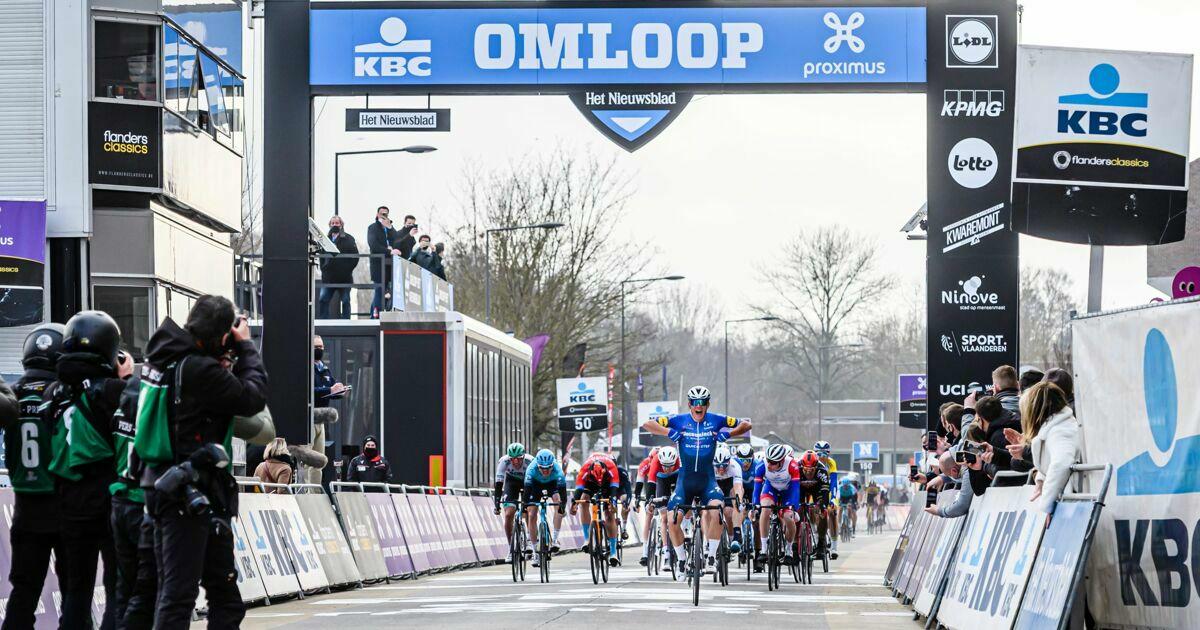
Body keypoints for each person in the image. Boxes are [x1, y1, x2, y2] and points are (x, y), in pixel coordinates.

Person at [137, 295, 268, 628]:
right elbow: (252, 398)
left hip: (166, 485)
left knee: (186, 593)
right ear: (222, 335)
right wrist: (247, 348)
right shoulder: (199, 369)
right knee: (189, 596)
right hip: (193, 493)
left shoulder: (164, 358)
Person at [45, 311, 131, 629]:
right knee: (117, 588)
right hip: (108, 496)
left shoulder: (54, 394)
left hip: (67, 500)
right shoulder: (112, 391)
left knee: (76, 590)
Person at [641, 385, 752, 574]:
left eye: (702, 402)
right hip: (685, 483)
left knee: (717, 510)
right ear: (689, 404)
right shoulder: (678, 420)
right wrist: (668, 432)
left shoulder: (717, 420)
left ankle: (711, 556)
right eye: (694, 402)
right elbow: (647, 424)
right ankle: (682, 560)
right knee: (671, 519)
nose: (698, 406)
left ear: (707, 404)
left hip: (708, 481)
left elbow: (746, 425)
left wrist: (728, 433)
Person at [1, 325, 66, 629]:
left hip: (25, 506)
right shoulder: (66, 393)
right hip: (64, 503)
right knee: (74, 593)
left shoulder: (11, 396)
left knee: (24, 592)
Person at [110, 360, 156, 630]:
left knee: (123, 586)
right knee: (148, 584)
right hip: (142, 502)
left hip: (119, 499)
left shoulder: (116, 415)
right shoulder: (152, 419)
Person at [1018, 382, 1082, 520]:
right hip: (1069, 502)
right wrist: (1041, 480)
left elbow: (1061, 463)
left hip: (1071, 505)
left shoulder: (1058, 430)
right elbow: (1052, 460)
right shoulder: (1057, 426)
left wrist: (1047, 505)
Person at [753, 444, 800, 569]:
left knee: (788, 517)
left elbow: (796, 489)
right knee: (765, 509)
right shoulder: (761, 465)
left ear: (781, 461)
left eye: (773, 463)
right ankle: (764, 549)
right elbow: (757, 489)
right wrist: (755, 506)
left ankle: (789, 549)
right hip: (771, 489)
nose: (769, 465)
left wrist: (793, 508)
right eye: (768, 460)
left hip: (788, 492)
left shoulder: (792, 465)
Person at [570, 452, 621, 566]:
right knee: (583, 500)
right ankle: (587, 539)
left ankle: (613, 552)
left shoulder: (612, 467)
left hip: (607, 484)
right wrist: (574, 504)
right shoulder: (585, 468)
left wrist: (612, 503)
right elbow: (578, 490)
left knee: (609, 514)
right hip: (590, 482)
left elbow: (614, 490)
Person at [966, 395, 1022, 495]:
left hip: (1012, 493)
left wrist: (985, 467)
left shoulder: (998, 436)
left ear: (979, 418)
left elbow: (1006, 468)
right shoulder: (1016, 421)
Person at [523, 449, 567, 566]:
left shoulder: (558, 471)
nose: (546, 471)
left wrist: (562, 507)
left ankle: (555, 539)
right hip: (535, 486)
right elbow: (526, 492)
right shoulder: (531, 470)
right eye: (542, 468)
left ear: (553, 464)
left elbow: (563, 493)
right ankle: (534, 551)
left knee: (558, 503)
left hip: (552, 485)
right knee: (531, 514)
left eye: (549, 468)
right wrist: (524, 506)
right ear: (538, 465)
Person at [311, 335, 345, 483]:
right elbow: (310, 390)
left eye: (321, 347)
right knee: (308, 459)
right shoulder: (307, 367)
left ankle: (316, 490)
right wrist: (329, 390)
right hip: (309, 418)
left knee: (320, 460)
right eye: (316, 347)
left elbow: (331, 391)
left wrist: (339, 391)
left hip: (322, 420)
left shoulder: (324, 369)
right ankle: (306, 491)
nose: (319, 350)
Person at [640, 446, 680, 567]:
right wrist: (649, 501)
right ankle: (666, 550)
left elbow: (684, 483)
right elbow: (651, 484)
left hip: (677, 478)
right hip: (662, 481)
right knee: (664, 518)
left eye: (670, 466)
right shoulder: (655, 462)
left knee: (681, 509)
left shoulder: (680, 461)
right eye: (665, 466)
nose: (667, 469)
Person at [318, 215, 360, 319]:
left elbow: (355, 257)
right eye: (332, 223)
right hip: (328, 278)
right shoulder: (324, 239)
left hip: (344, 278)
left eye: (337, 223)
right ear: (329, 225)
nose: (334, 225)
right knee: (323, 299)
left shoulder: (349, 239)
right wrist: (324, 268)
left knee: (346, 301)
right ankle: (324, 322)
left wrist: (346, 269)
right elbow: (321, 257)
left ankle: (346, 323)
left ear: (341, 225)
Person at [493, 442, 533, 546]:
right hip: (511, 482)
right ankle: (511, 547)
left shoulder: (530, 461)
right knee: (508, 514)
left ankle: (529, 539)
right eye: (512, 458)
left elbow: (535, 481)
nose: (515, 461)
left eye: (518, 458)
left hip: (527, 483)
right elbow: (498, 484)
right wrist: (497, 504)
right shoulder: (504, 461)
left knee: (529, 510)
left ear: (523, 456)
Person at [797, 450, 832, 557]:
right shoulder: (796, 468)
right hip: (801, 489)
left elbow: (825, 492)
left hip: (817, 490)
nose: (808, 473)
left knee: (823, 512)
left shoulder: (822, 471)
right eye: (806, 470)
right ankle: (796, 541)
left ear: (816, 467)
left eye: (811, 470)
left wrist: (821, 505)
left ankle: (821, 543)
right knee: (796, 511)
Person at [712, 445, 744, 554]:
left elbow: (738, 488)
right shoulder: (709, 466)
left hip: (730, 484)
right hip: (716, 484)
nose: (721, 469)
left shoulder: (735, 466)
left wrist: (738, 500)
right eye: (718, 466)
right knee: (714, 507)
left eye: (724, 466)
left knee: (730, 510)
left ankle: (734, 537)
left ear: (729, 462)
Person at [813, 440, 841, 557]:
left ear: (828, 455)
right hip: (816, 489)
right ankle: (815, 536)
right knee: (812, 511)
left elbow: (833, 483)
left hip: (829, 490)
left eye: (825, 454)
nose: (822, 457)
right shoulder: (811, 462)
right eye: (819, 454)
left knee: (832, 512)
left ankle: (834, 547)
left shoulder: (831, 463)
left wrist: (833, 499)